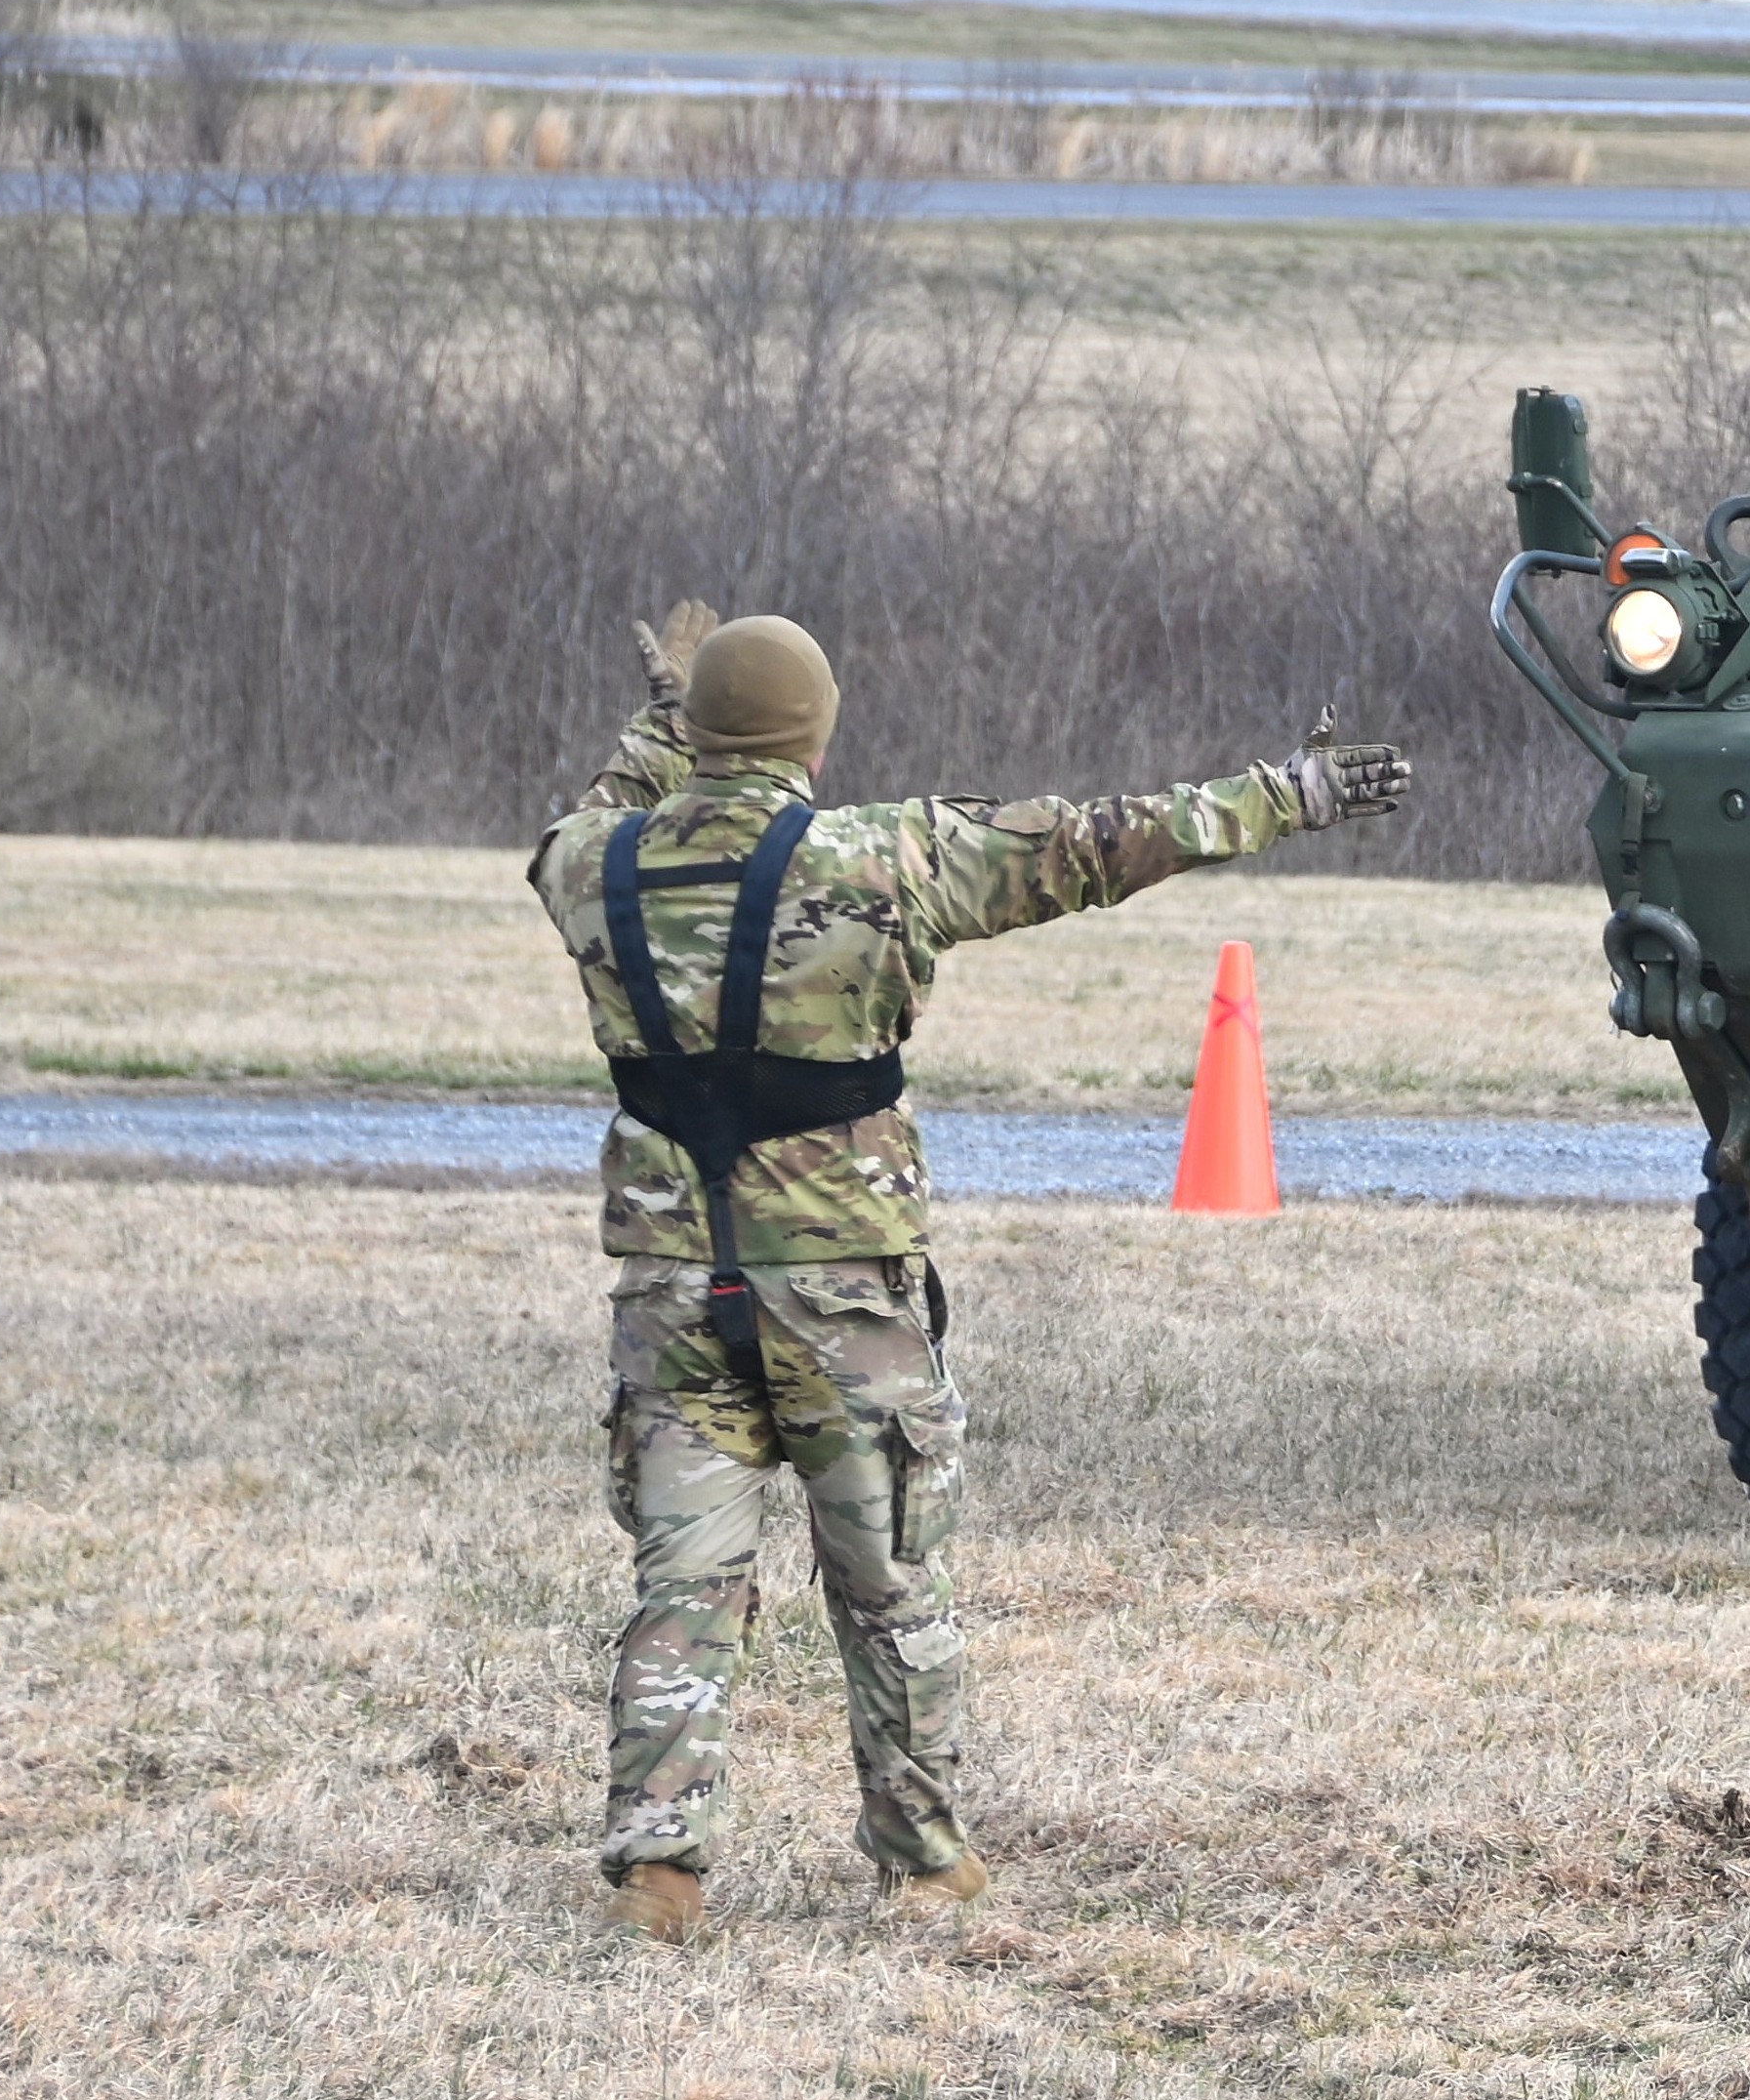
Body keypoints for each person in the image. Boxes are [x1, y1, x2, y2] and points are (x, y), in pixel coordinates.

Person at [532, 606, 1411, 1942]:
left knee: (683, 1583)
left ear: (698, 737)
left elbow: (592, 811)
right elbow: (1105, 841)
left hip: (673, 1290)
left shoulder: (594, 866)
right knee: (888, 1581)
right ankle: (924, 1857)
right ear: (817, 736)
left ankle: (660, 1867)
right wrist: (1287, 793)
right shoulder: (890, 857)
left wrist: (667, 721)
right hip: (846, 1297)